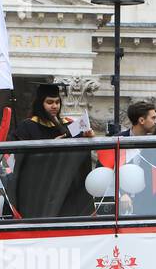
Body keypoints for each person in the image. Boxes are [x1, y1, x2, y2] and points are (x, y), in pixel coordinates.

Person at [7, 82, 96, 218]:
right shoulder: (27, 127)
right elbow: (17, 159)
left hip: (67, 188)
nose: (54, 106)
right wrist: (50, 147)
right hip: (39, 189)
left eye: (57, 102)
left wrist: (86, 137)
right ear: (40, 104)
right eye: (49, 102)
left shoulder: (70, 125)